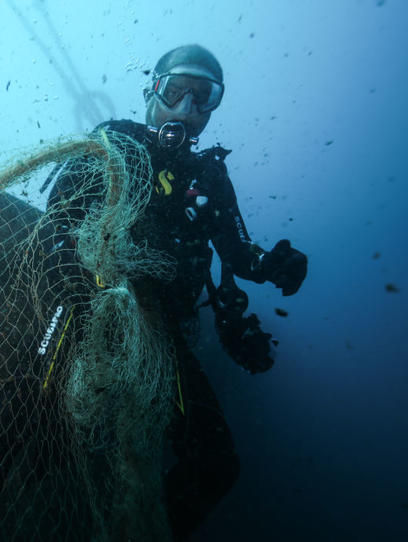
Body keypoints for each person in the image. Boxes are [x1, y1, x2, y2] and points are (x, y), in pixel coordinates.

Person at [42, 44, 308, 540]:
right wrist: (78, 288)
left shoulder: (209, 177)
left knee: (216, 463)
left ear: (212, 109)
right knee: (34, 412)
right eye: (175, 91)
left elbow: (237, 253)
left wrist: (274, 265)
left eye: (202, 98)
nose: (185, 109)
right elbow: (58, 215)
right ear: (153, 90)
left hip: (162, 338)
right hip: (87, 305)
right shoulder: (114, 146)